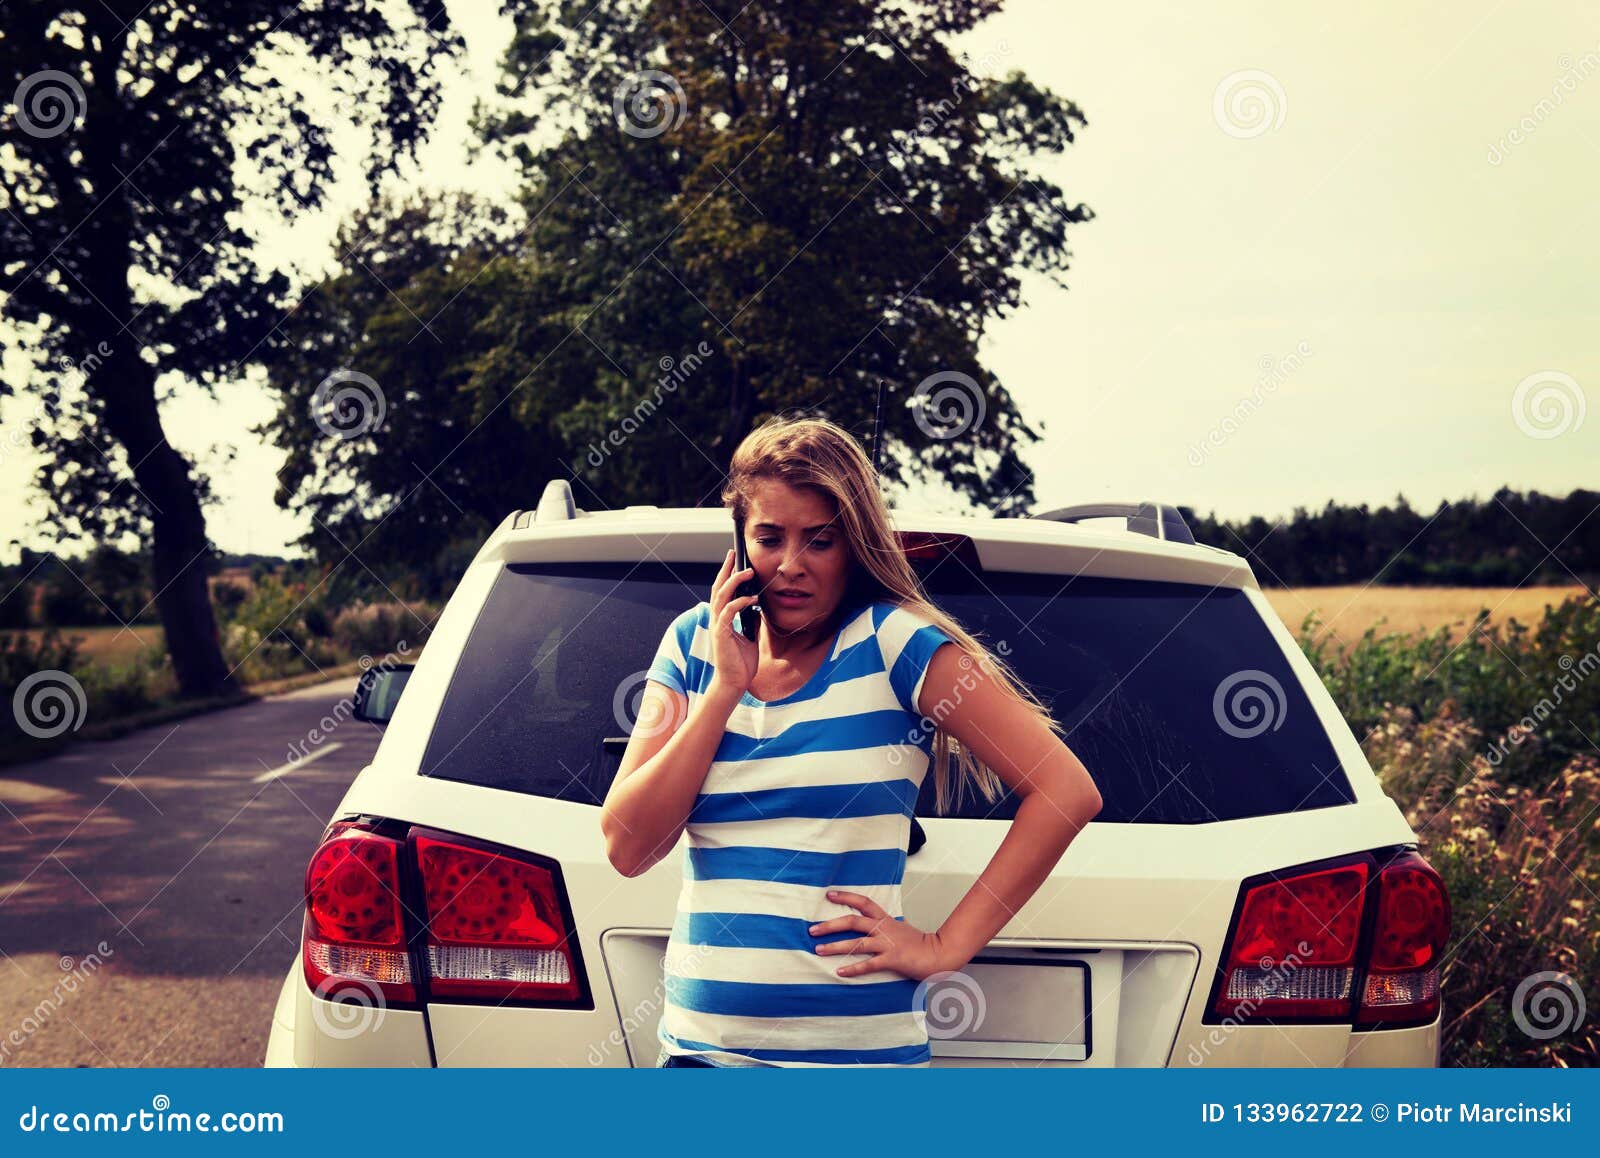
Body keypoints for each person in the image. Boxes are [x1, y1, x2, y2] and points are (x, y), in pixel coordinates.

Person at [600, 414, 1103, 1067]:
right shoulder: (697, 645)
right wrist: (725, 689)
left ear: (854, 545)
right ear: (739, 542)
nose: (790, 566)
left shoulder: (894, 644)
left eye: (820, 541)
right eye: (769, 537)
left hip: (854, 1065)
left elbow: (1066, 790)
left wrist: (943, 947)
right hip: (701, 1056)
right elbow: (628, 846)